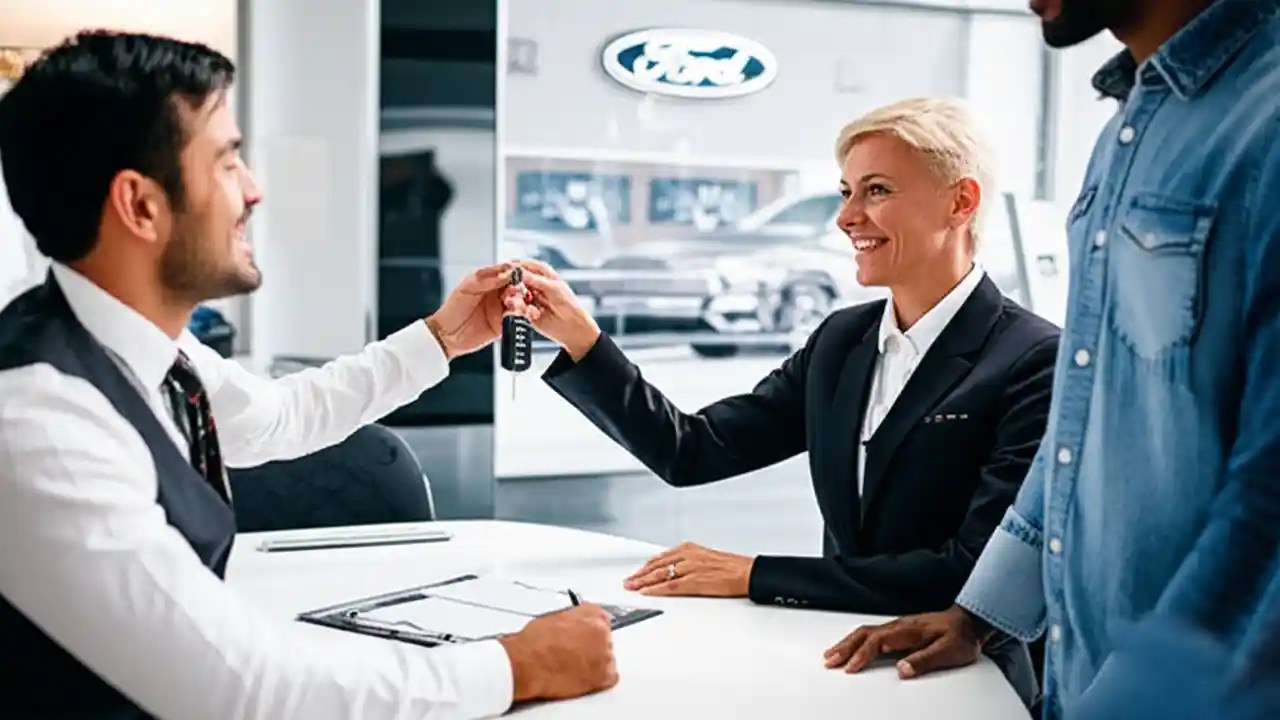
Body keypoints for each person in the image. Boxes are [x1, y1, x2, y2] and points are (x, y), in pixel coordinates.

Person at [0, 31, 616, 719]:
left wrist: (443, 338)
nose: (255, 191)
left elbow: (277, 419)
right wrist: (515, 667)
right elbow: (244, 689)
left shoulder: (149, 352)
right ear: (140, 205)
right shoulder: (39, 423)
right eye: (229, 163)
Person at [508, 98, 1060, 704]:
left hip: (966, 680)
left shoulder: (1033, 358)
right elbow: (693, 450)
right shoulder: (841, 341)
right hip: (840, 659)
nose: (847, 217)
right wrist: (582, 339)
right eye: (846, 192)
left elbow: (972, 572)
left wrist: (753, 574)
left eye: (875, 191)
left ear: (961, 202)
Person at [821, 1, 1280, 718]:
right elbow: (1085, 420)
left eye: (876, 190)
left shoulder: (1265, 117)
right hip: (1079, 678)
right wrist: (978, 615)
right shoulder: (1131, 125)